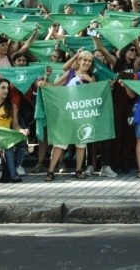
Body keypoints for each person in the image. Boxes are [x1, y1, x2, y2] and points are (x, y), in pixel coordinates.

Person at [44, 51, 96, 181]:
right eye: (84, 60)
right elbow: (55, 86)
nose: (87, 63)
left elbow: (95, 93)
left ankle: (78, 170)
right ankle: (50, 171)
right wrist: (44, 81)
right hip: (67, 113)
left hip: (82, 114)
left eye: (89, 61)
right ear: (79, 61)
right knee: (60, 142)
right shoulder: (71, 73)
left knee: (81, 142)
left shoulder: (92, 77)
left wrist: (90, 80)